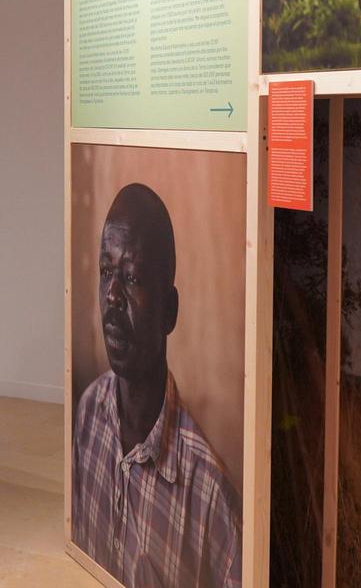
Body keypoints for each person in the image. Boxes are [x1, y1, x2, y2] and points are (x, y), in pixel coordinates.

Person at [72, 184, 241, 588]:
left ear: (169, 311)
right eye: (106, 271)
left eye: (131, 277)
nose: (111, 295)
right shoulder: (88, 410)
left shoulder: (209, 493)